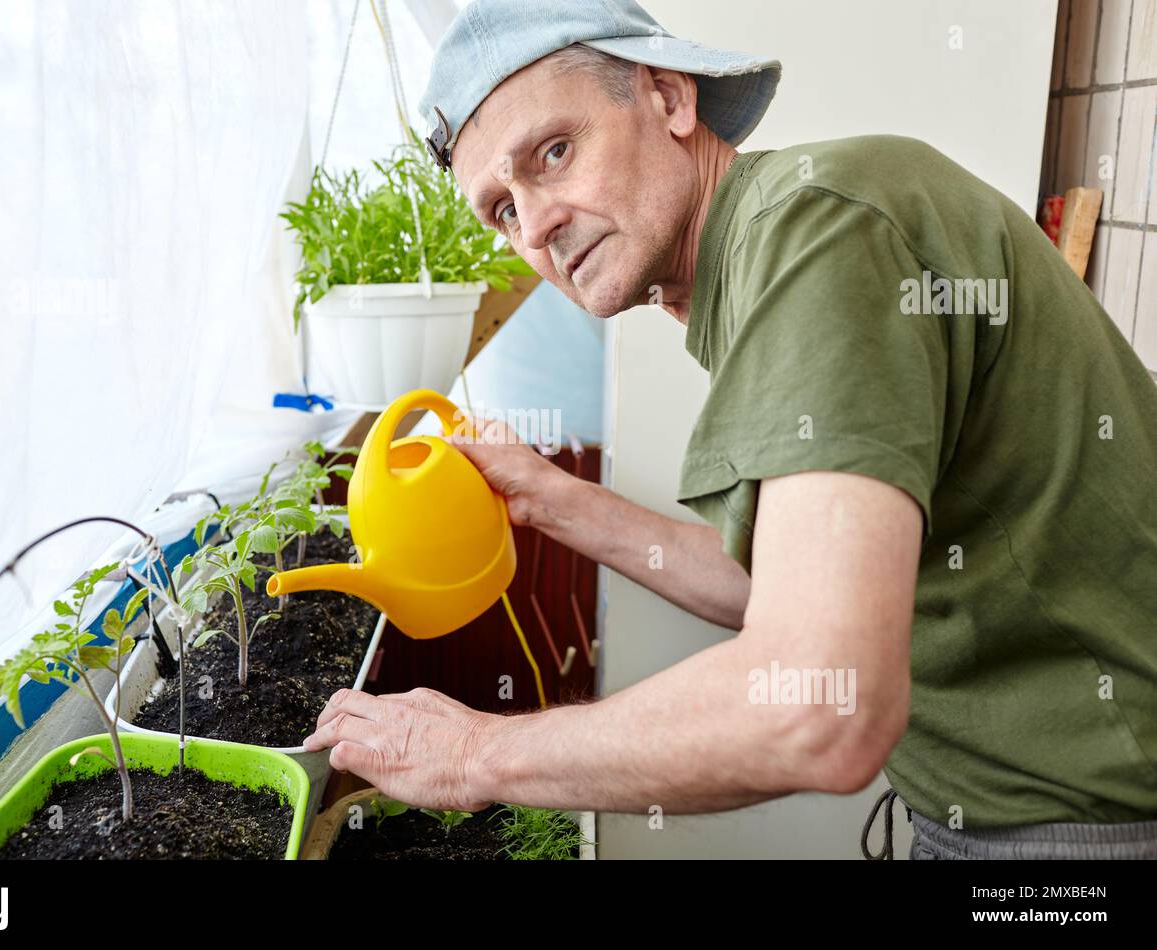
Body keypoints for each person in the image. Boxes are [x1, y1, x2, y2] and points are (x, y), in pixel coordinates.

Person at [305, 0, 1157, 859]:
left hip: (1080, 831)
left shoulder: (820, 239)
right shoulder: (766, 254)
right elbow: (786, 591)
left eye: (554, 153)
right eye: (501, 210)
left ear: (672, 98)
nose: (536, 227)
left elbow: (819, 707)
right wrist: (554, 501)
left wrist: (474, 754)